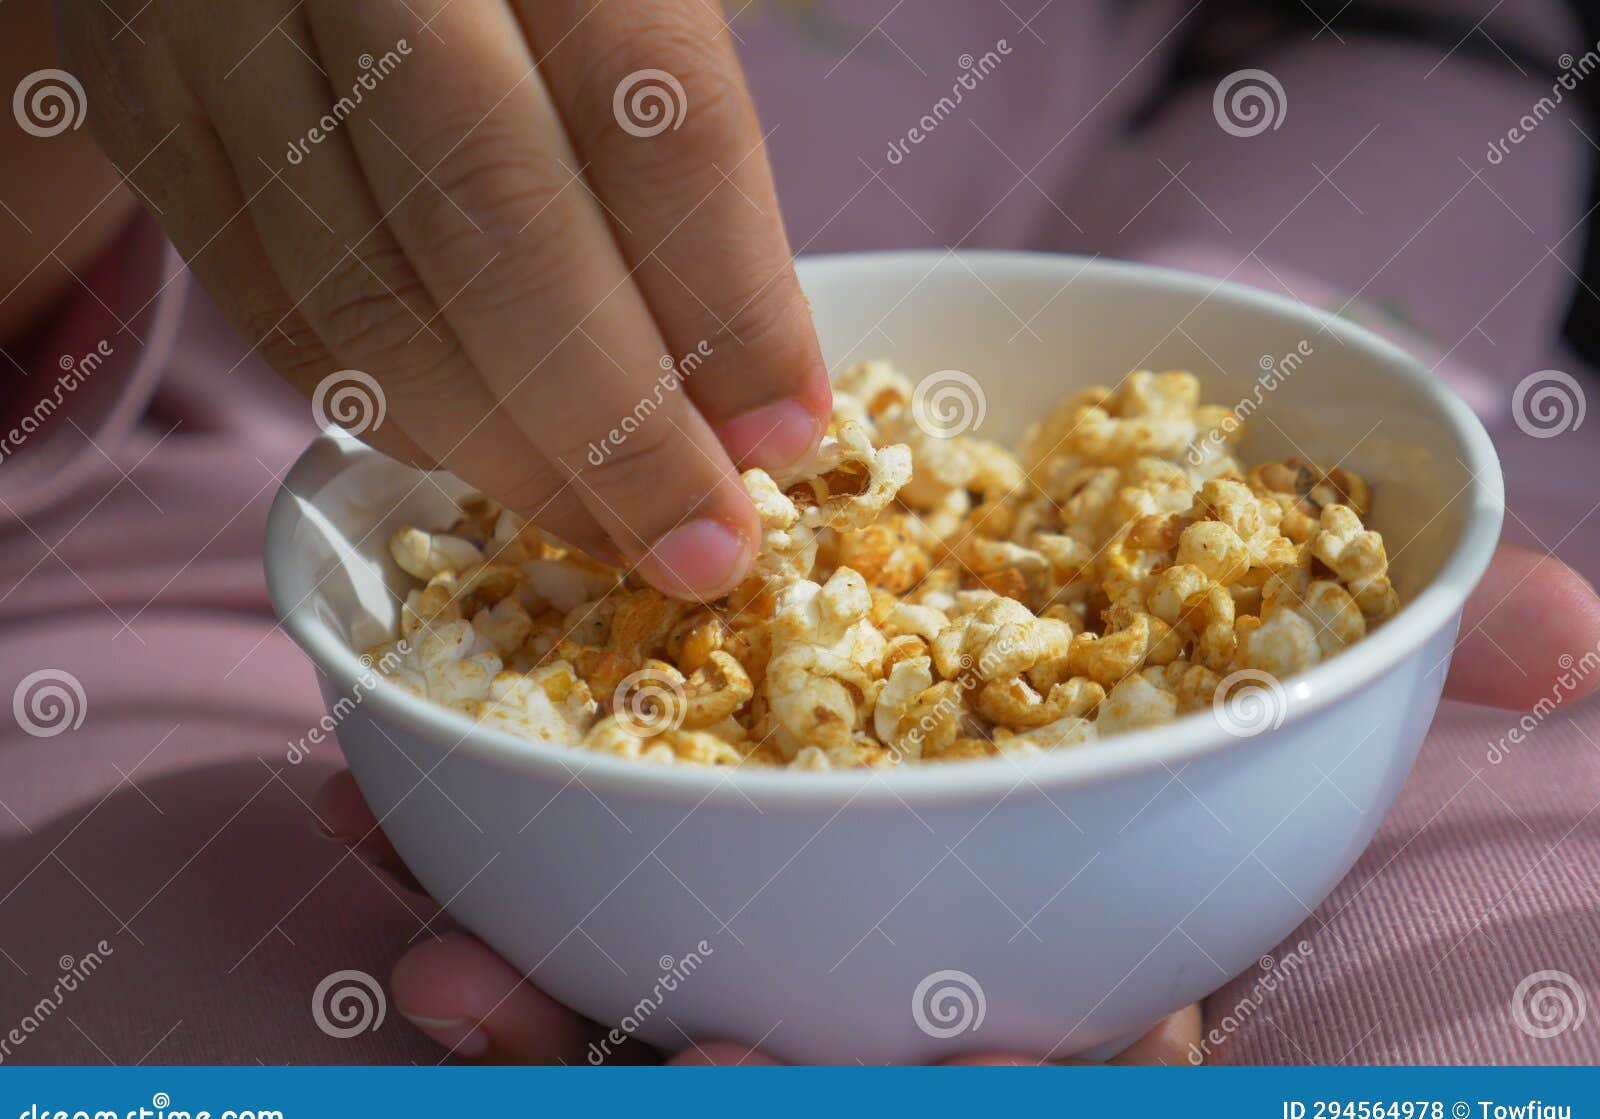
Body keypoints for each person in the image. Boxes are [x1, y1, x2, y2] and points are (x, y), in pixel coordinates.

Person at [1, 0, 1596, 1064]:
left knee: (1513, 1022)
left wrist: (1300, 357)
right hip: (207, 538)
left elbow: (1434, 38)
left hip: (1229, 503)